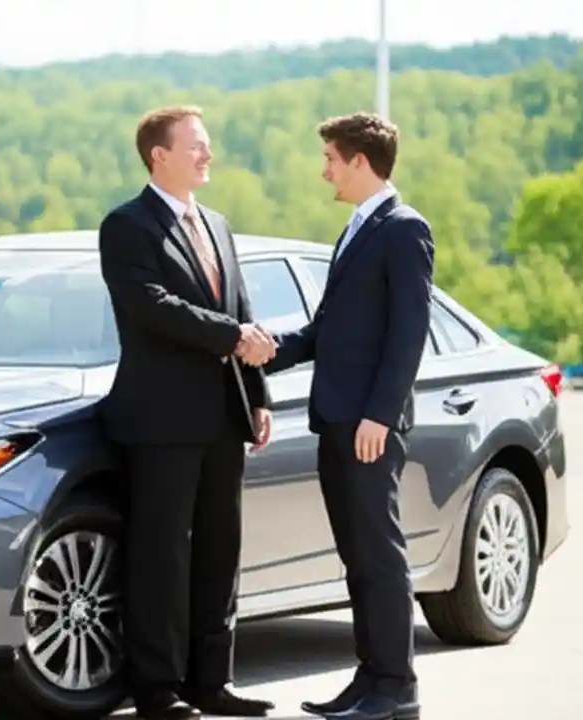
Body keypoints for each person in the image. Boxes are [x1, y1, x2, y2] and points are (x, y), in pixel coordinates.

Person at [97, 105, 277, 720]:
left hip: (223, 419)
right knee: (162, 557)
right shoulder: (126, 226)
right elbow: (152, 305)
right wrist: (232, 336)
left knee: (219, 553)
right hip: (160, 423)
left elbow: (242, 309)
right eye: (196, 145)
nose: (208, 155)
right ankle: (158, 690)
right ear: (159, 156)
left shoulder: (219, 225)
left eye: (208, 145)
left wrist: (257, 397)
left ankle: (212, 683)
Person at [264, 112, 433, 720]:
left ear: (361, 161)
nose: (325, 170)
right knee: (357, 557)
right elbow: (330, 331)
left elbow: (409, 334)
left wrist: (379, 417)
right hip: (336, 420)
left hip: (368, 427)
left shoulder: (404, 228)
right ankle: (370, 679)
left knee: (380, 556)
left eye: (331, 159)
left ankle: (397, 687)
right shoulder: (359, 228)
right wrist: (267, 351)